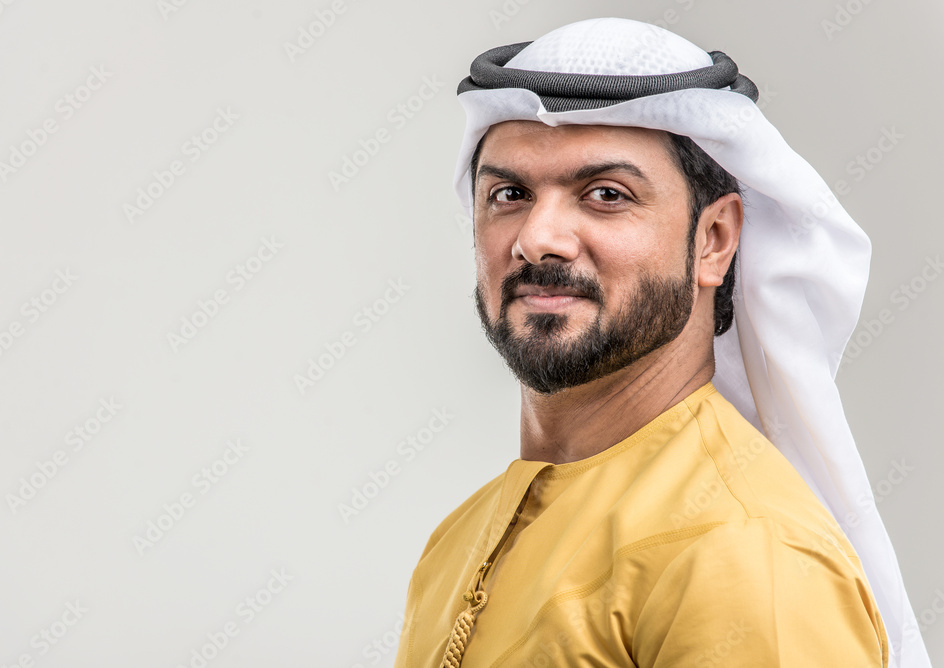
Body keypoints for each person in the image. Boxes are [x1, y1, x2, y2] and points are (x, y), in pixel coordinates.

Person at [392, 18, 930, 668]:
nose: (538, 238)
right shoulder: (457, 542)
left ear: (715, 241)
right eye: (509, 194)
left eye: (605, 195)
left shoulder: (742, 552)